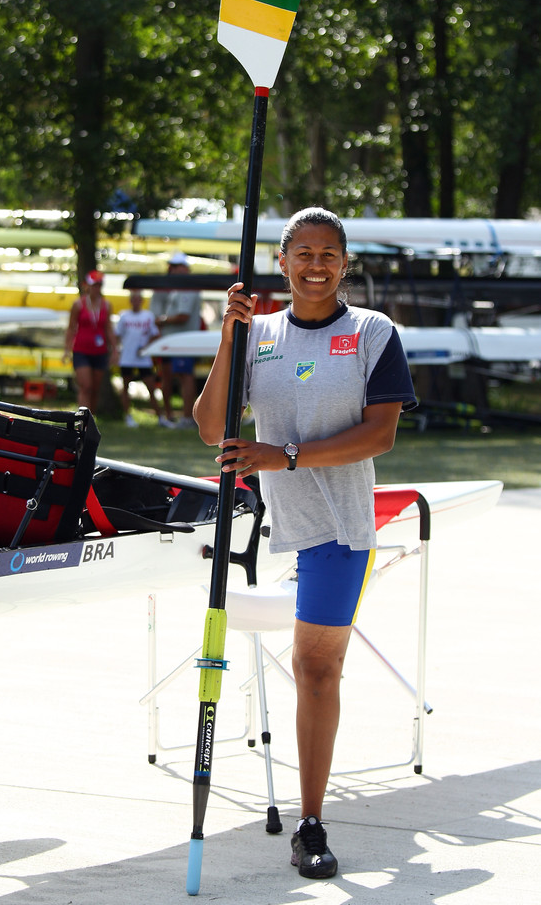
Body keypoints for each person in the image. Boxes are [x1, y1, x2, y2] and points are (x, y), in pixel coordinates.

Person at [193, 207, 416, 880]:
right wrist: (230, 339)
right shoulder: (258, 335)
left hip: (338, 532)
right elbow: (211, 429)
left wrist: (283, 456)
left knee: (316, 671)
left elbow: (379, 435)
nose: (316, 265)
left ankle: (310, 824)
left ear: (344, 265)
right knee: (306, 665)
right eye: (304, 253)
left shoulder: (373, 333)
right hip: (269, 529)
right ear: (283, 260)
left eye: (329, 254)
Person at [150, 251, 202, 428]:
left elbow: (182, 316)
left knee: (185, 376)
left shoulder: (188, 288)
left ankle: (188, 417)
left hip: (183, 341)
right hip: (172, 340)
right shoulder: (179, 287)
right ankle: (170, 415)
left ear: (184, 268)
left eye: (175, 266)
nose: (170, 269)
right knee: (168, 376)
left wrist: (160, 320)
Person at [64, 269, 117, 412]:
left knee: (94, 388)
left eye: (99, 285)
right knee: (85, 386)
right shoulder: (78, 304)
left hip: (100, 351)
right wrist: (66, 350)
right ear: (87, 285)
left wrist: (115, 350)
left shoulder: (106, 305)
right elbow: (71, 328)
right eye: (94, 285)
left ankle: (90, 419)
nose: (97, 288)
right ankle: (82, 418)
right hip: (81, 350)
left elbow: (109, 329)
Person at [115, 290, 166, 427]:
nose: (136, 302)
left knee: (151, 387)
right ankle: (128, 416)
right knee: (125, 387)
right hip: (127, 357)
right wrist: (115, 351)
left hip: (143, 359)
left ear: (142, 301)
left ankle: (160, 417)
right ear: (131, 301)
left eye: (138, 299)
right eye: (133, 299)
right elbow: (117, 335)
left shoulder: (148, 316)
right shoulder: (124, 316)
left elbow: (155, 334)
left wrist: (146, 347)